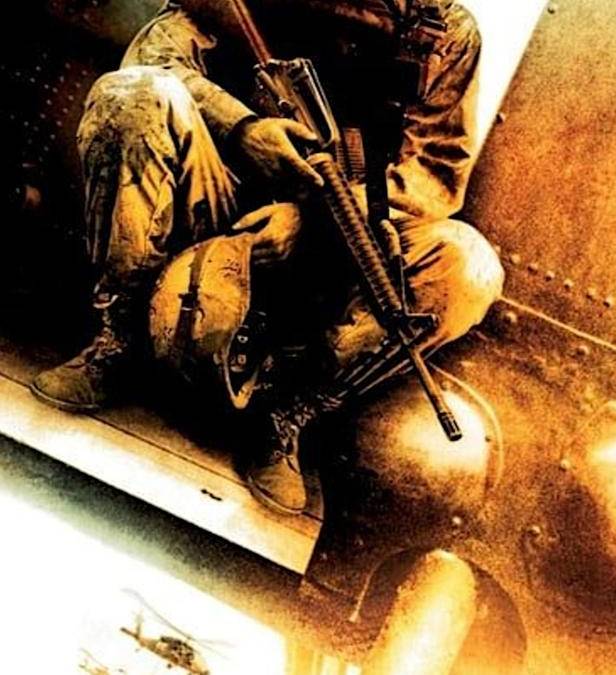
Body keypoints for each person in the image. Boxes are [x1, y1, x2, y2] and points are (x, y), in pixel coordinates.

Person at [31, 0, 504, 514]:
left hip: (333, 241)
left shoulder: (440, 30)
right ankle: (121, 340)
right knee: (132, 96)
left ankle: (288, 415)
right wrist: (242, 128)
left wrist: (310, 218)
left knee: (469, 266)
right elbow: (155, 57)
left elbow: (432, 176)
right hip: (213, 199)